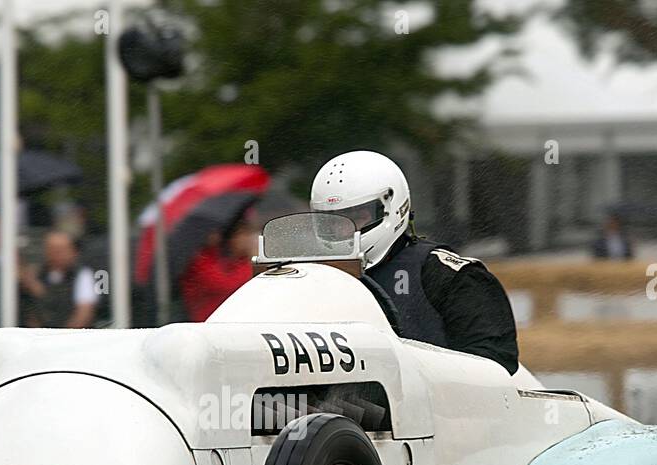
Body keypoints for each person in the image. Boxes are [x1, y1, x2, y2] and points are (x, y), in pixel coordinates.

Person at [309, 150, 518, 374]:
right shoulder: (311, 278)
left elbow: (496, 362)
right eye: (332, 221)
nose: (343, 231)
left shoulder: (447, 275)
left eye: (357, 217)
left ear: (392, 207)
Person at [178, 217, 257, 322]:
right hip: (207, 325)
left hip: (226, 323)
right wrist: (249, 260)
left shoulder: (218, 256)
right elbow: (225, 285)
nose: (248, 240)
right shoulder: (197, 260)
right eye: (243, 235)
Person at [21, 231, 98, 329]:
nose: (55, 254)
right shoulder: (37, 275)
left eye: (60, 250)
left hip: (72, 336)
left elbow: (84, 312)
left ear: (73, 251)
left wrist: (64, 335)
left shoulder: (83, 275)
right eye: (51, 249)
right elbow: (31, 314)